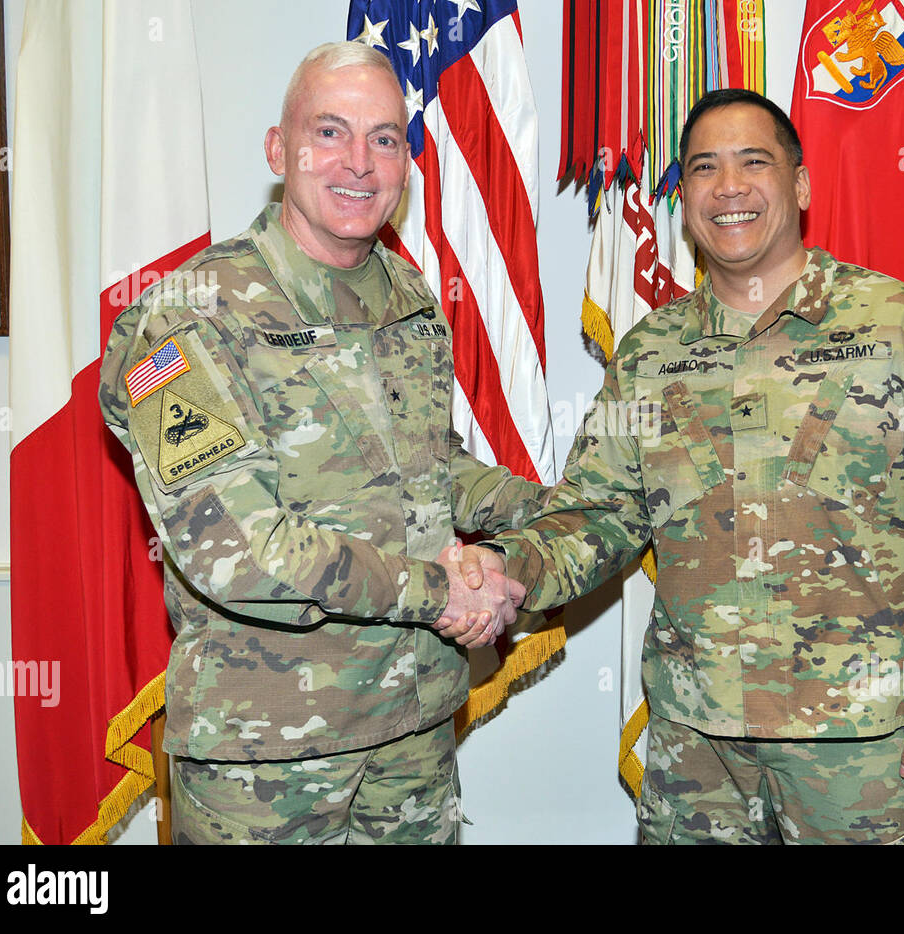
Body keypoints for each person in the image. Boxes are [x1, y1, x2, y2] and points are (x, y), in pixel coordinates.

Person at [458, 89, 904, 844]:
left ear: (799, 185)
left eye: (752, 162)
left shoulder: (899, 328)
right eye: (704, 169)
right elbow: (596, 516)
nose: (728, 187)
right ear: (685, 197)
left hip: (864, 755)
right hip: (696, 755)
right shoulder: (650, 354)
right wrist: (506, 568)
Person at [98, 41, 540, 844]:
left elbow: (431, 471)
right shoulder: (189, 319)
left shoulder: (405, 296)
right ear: (279, 149)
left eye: (383, 139)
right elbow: (240, 550)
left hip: (412, 730)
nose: (360, 163)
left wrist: (553, 511)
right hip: (266, 760)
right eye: (330, 132)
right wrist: (444, 595)